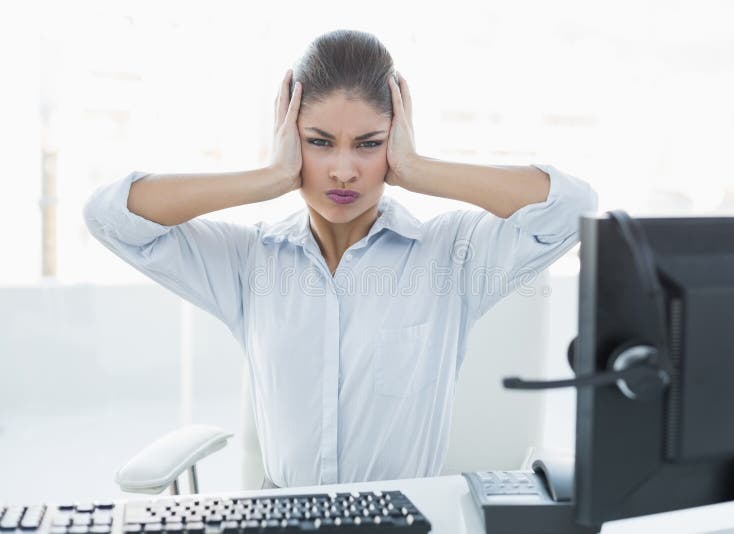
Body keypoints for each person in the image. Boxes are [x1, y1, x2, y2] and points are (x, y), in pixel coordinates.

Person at [83, 29, 598, 489]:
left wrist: (417, 168)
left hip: (402, 518)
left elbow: (571, 206)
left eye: (369, 144)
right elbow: (110, 215)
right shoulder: (249, 261)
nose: (343, 170)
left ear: (395, 141)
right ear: (290, 139)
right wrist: (269, 178)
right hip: (285, 520)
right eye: (319, 142)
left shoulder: (454, 255)